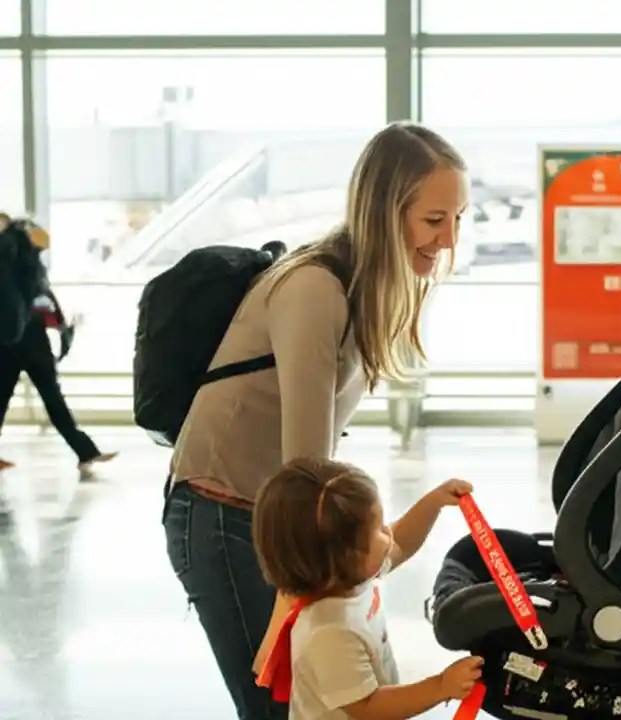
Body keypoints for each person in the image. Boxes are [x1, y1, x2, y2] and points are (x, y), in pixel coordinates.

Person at [160, 121, 470, 720]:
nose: (448, 240)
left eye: (457, 219)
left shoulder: (363, 287)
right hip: (226, 516)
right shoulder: (315, 288)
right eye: (434, 221)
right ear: (384, 211)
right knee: (281, 708)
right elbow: (306, 469)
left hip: (271, 516)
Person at [251, 457, 484, 719]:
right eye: (377, 530)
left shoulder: (349, 578)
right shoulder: (328, 631)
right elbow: (368, 707)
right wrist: (440, 686)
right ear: (343, 558)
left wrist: (435, 501)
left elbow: (402, 543)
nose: (388, 531)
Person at [0, 214, 117, 473]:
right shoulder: (17, 254)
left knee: (47, 395)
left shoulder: (20, 253)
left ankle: (86, 451)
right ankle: (86, 452)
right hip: (16, 337)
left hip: (21, 335)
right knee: (45, 395)